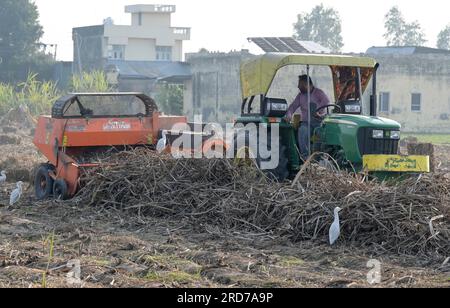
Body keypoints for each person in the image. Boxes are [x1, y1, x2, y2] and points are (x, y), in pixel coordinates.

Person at [286, 75, 331, 159]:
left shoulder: (318, 93)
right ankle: (305, 157)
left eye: (300, 84)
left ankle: (319, 157)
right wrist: (288, 114)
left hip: (319, 122)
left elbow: (326, 101)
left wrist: (318, 111)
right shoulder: (300, 96)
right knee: (303, 130)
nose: (298, 86)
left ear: (306, 84)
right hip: (306, 123)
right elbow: (292, 106)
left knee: (322, 133)